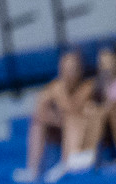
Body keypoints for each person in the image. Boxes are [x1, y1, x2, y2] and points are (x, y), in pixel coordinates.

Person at [20, 50, 98, 181]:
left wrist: (60, 100)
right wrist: (54, 117)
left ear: (80, 70)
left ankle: (65, 163)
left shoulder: (88, 86)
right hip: (62, 126)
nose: (68, 73)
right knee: (37, 121)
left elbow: (74, 109)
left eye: (72, 69)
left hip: (81, 130)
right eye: (65, 69)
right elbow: (39, 108)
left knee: (72, 119)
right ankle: (33, 170)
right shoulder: (55, 86)